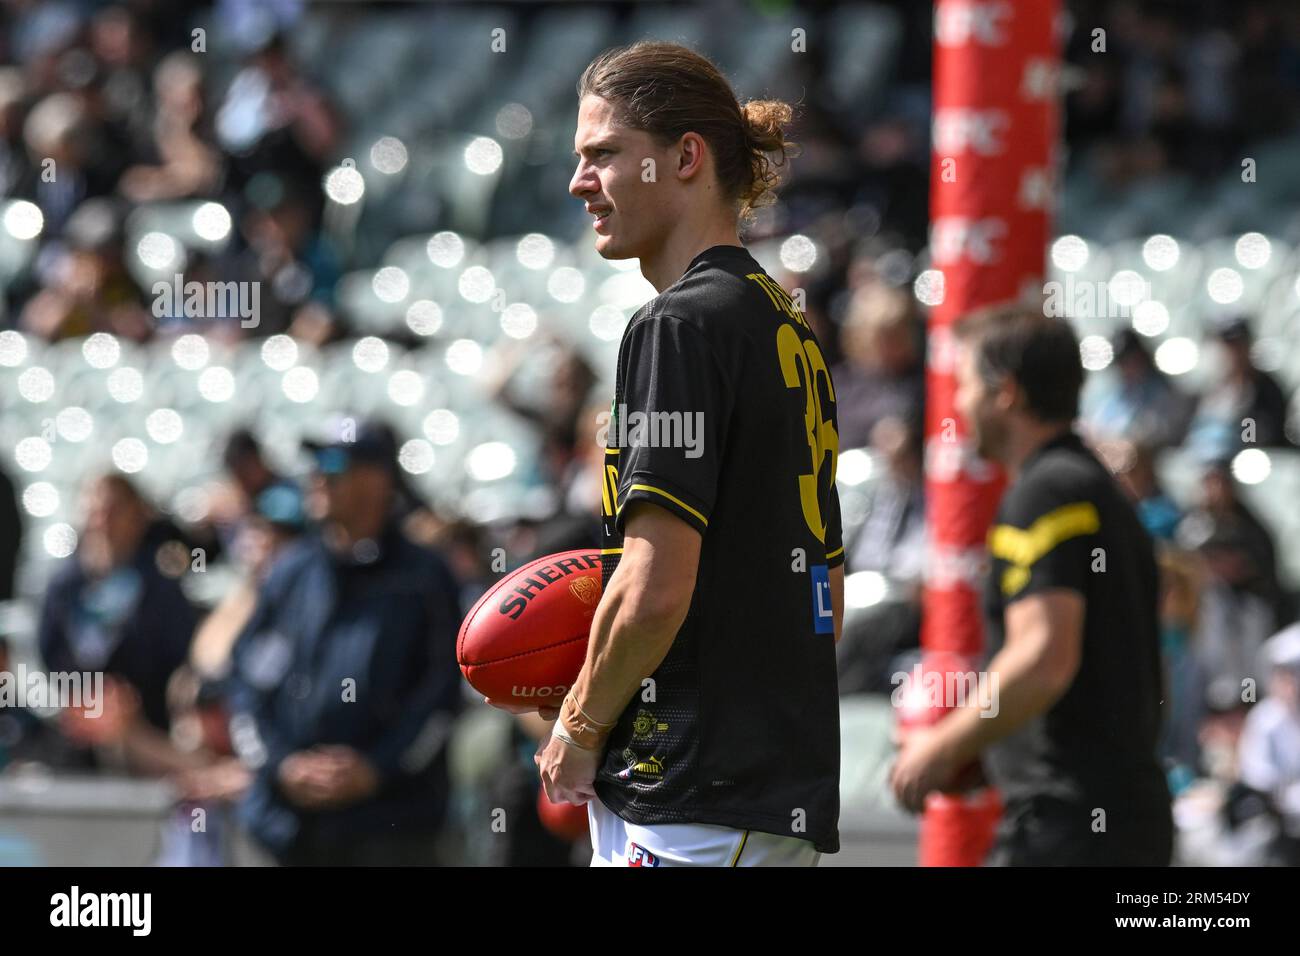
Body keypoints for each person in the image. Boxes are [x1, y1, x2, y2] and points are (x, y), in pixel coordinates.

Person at [523, 41, 845, 867]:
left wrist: (581, 723)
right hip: (751, 791)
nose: (578, 183)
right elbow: (827, 588)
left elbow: (657, 580)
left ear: (686, 159)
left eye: (603, 155)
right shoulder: (783, 321)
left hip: (696, 796)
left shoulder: (679, 325)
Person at [889, 304, 1173, 866]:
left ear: (1007, 393)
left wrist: (941, 749)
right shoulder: (1093, 486)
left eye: (966, 384)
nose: (960, 404)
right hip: (1116, 818)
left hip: (1069, 830)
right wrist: (991, 753)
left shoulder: (1046, 492)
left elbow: (1044, 656)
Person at [226, 421, 463, 865]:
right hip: (285, 827)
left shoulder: (425, 579)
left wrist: (376, 768)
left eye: (334, 463)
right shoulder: (290, 573)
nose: (318, 476)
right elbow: (247, 682)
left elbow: (442, 695)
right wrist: (282, 765)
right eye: (314, 464)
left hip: (390, 828)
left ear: (377, 480)